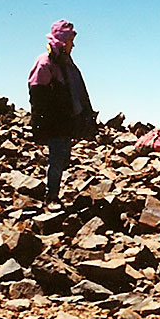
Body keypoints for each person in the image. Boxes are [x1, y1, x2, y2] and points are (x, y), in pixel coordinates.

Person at [27, 19, 97, 206]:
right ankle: (51, 196)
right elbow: (37, 95)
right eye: (70, 41)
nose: (73, 45)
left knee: (63, 157)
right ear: (62, 39)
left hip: (67, 121)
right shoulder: (45, 62)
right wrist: (42, 123)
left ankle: (52, 192)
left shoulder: (66, 63)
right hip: (55, 121)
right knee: (57, 158)